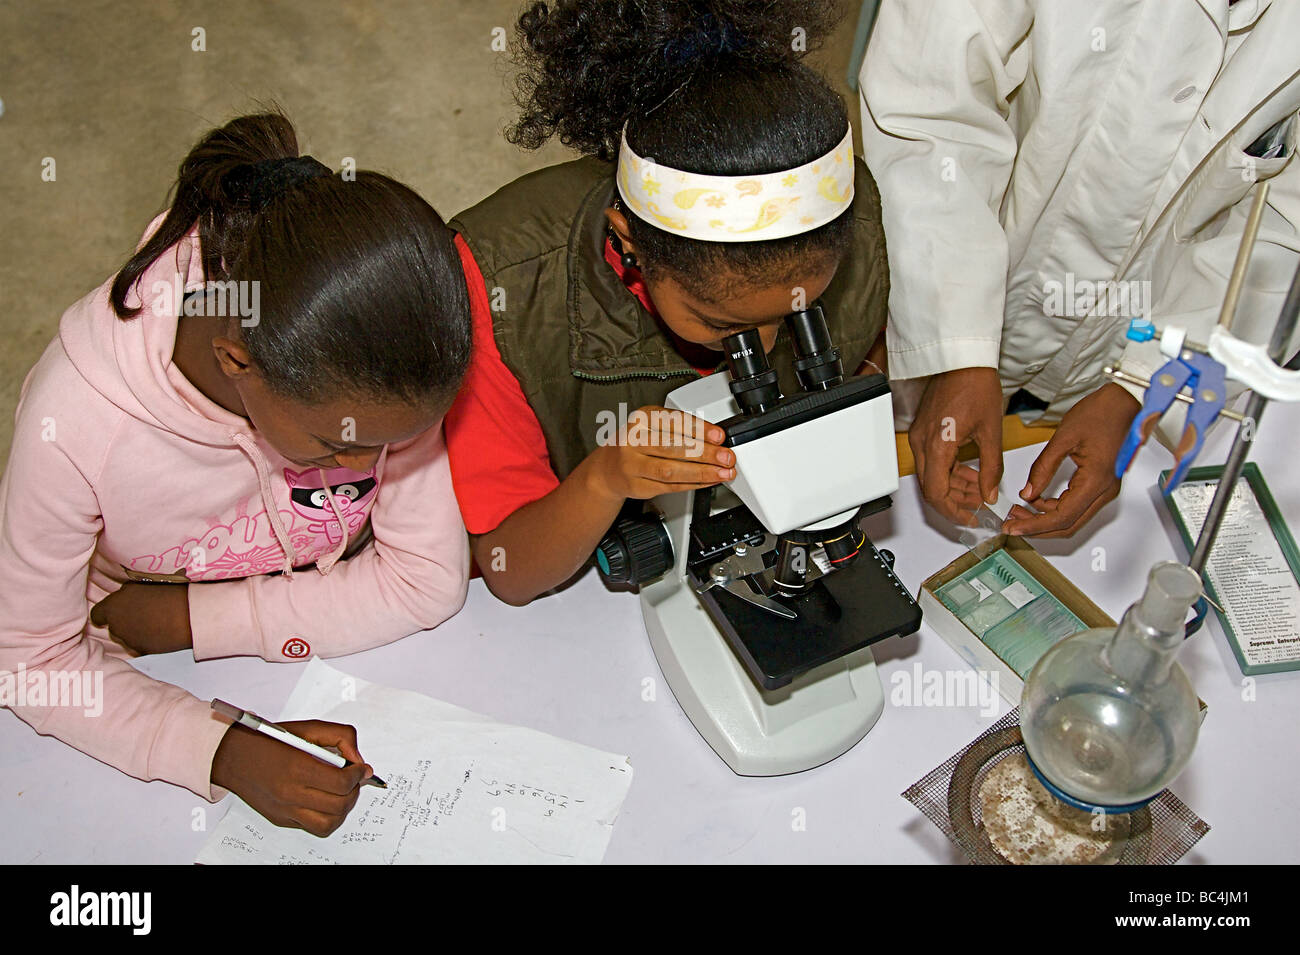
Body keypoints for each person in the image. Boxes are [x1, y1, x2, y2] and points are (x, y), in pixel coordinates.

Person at [0, 113, 472, 836]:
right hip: (125, 672)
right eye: (334, 444)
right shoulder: (76, 425)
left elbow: (425, 581)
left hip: (214, 645)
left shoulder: (377, 372)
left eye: (389, 443)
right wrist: (219, 750)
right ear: (236, 361)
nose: (365, 463)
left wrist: (194, 619)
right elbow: (31, 661)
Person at [445, 0, 890, 605]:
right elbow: (510, 570)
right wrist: (606, 479)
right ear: (628, 244)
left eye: (795, 315)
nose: (759, 350)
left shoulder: (848, 217)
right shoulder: (501, 286)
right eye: (722, 324)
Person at [860, 0, 1300, 537]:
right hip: (944, 293)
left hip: (1124, 351)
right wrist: (957, 347)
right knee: (879, 475)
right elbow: (928, 112)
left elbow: (1280, 234)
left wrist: (1139, 389)